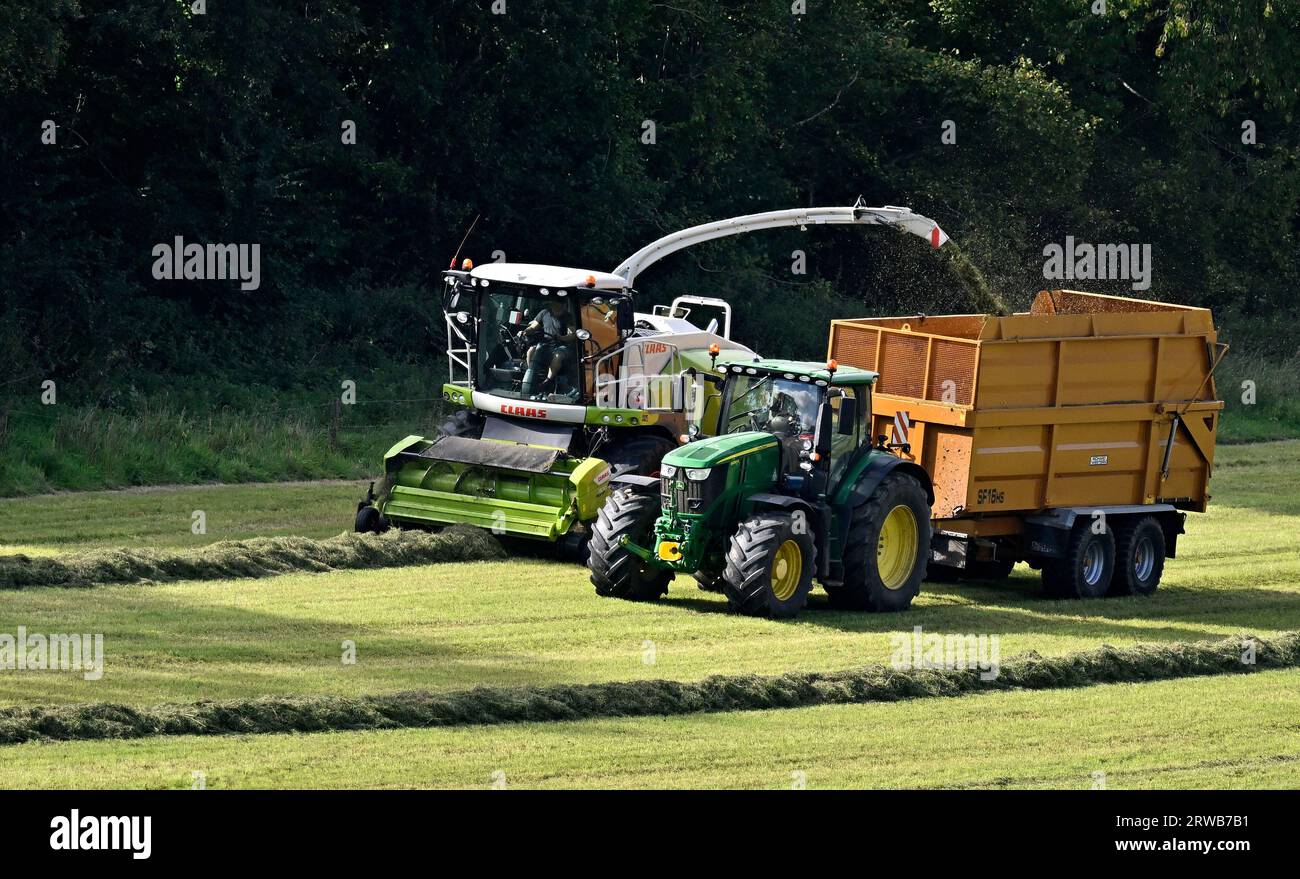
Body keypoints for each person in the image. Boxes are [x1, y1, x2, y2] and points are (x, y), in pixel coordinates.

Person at [519, 299, 577, 397]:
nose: (554, 304)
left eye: (557, 302)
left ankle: (547, 381)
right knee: (531, 351)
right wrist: (524, 331)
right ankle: (531, 375)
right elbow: (533, 327)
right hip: (545, 344)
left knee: (557, 356)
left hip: (561, 345)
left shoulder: (567, 317)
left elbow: (572, 335)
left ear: (563, 304)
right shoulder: (544, 313)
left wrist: (561, 337)